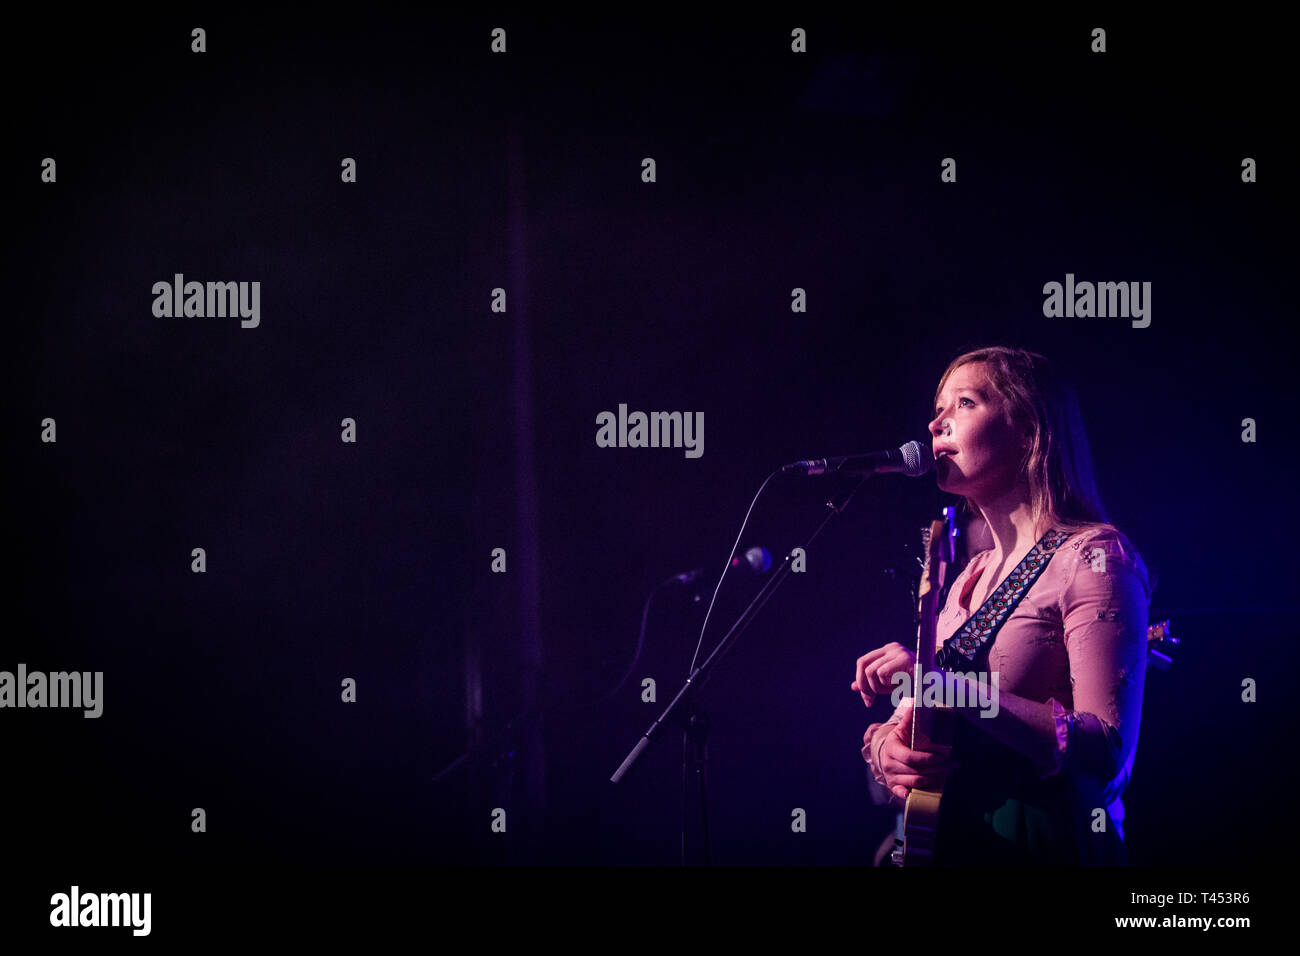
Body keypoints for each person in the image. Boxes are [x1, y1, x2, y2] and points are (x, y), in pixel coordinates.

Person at [851, 346, 1152, 865]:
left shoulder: (1094, 557)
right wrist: (886, 751)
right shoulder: (969, 576)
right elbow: (926, 709)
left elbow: (1105, 750)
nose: (935, 422)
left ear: (1029, 431)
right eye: (937, 406)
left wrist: (941, 684)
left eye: (964, 403)